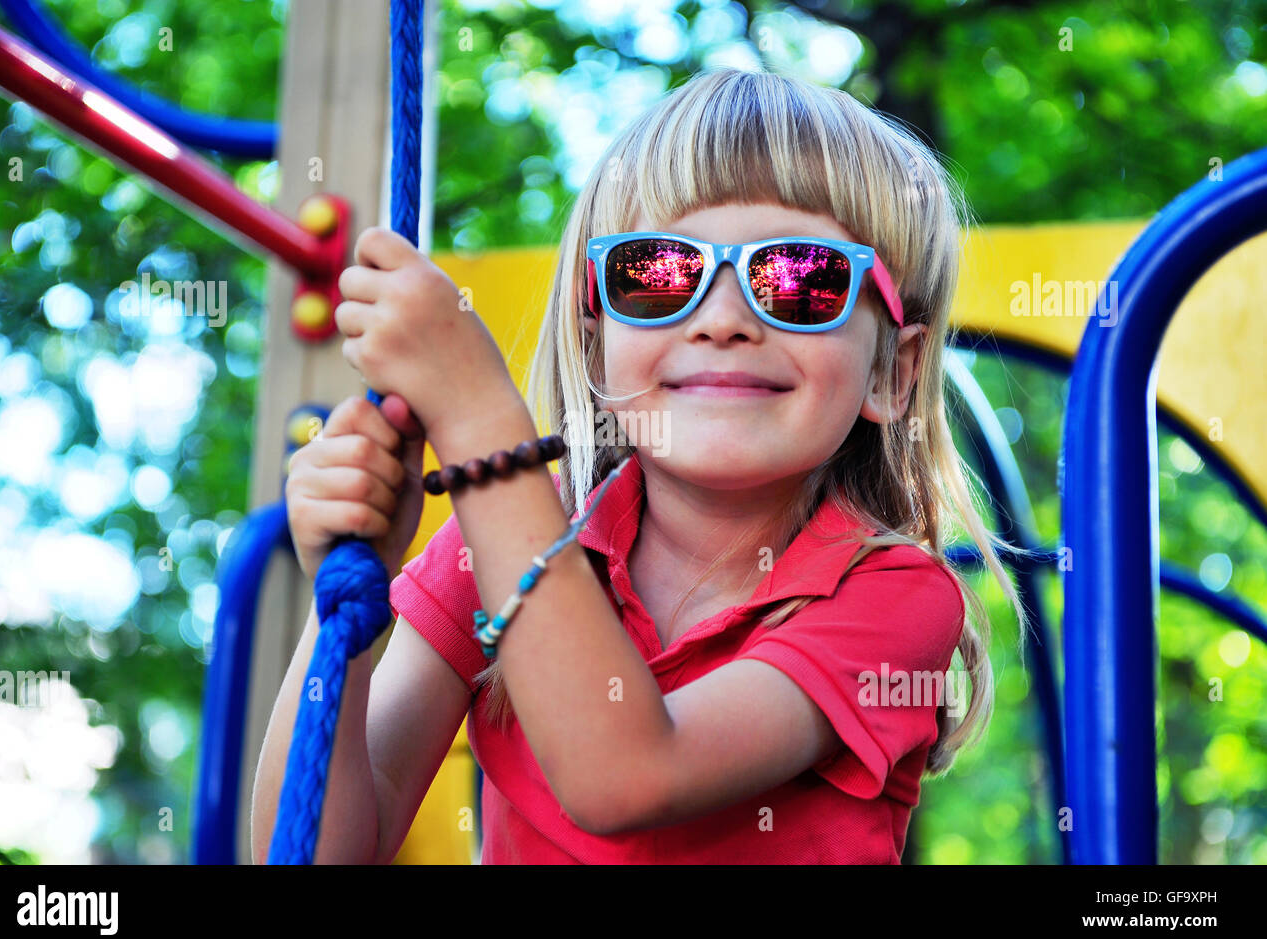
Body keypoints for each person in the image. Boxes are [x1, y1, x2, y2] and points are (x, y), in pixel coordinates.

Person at [253, 67, 1029, 864]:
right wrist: (345, 601)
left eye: (800, 278)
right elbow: (315, 850)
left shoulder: (893, 598)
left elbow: (625, 777)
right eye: (658, 272)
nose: (722, 319)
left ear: (890, 374)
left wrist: (482, 422)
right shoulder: (505, 539)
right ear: (595, 343)